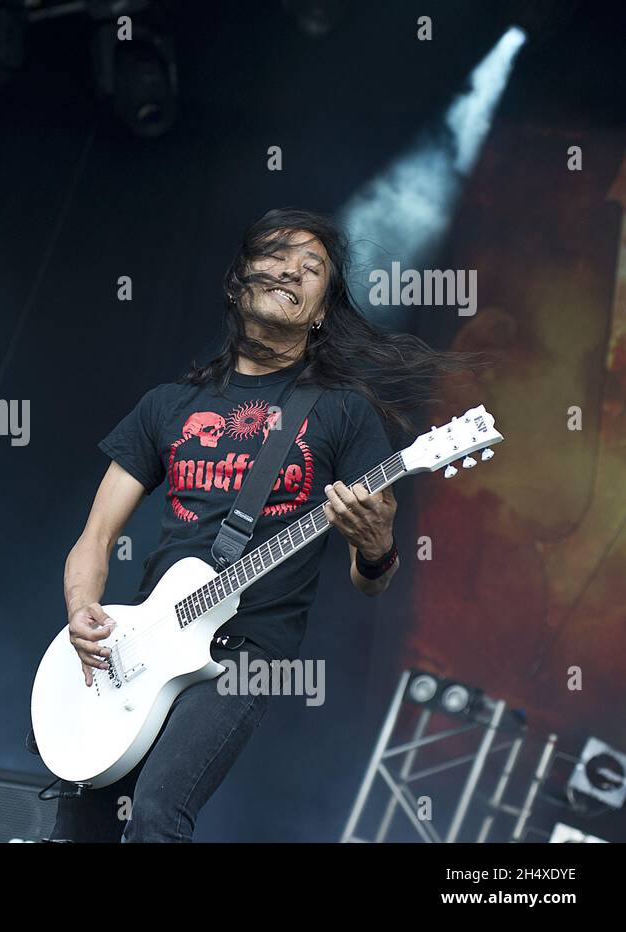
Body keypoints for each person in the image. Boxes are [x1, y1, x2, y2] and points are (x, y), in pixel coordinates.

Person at [51, 208, 469, 842]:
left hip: (248, 654)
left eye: (312, 269)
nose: (291, 270)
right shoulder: (168, 405)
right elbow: (94, 540)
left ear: (320, 311)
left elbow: (373, 580)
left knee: (159, 816)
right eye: (276, 256)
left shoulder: (343, 413)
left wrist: (377, 544)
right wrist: (83, 608)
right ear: (237, 281)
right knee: (80, 820)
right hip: (145, 640)